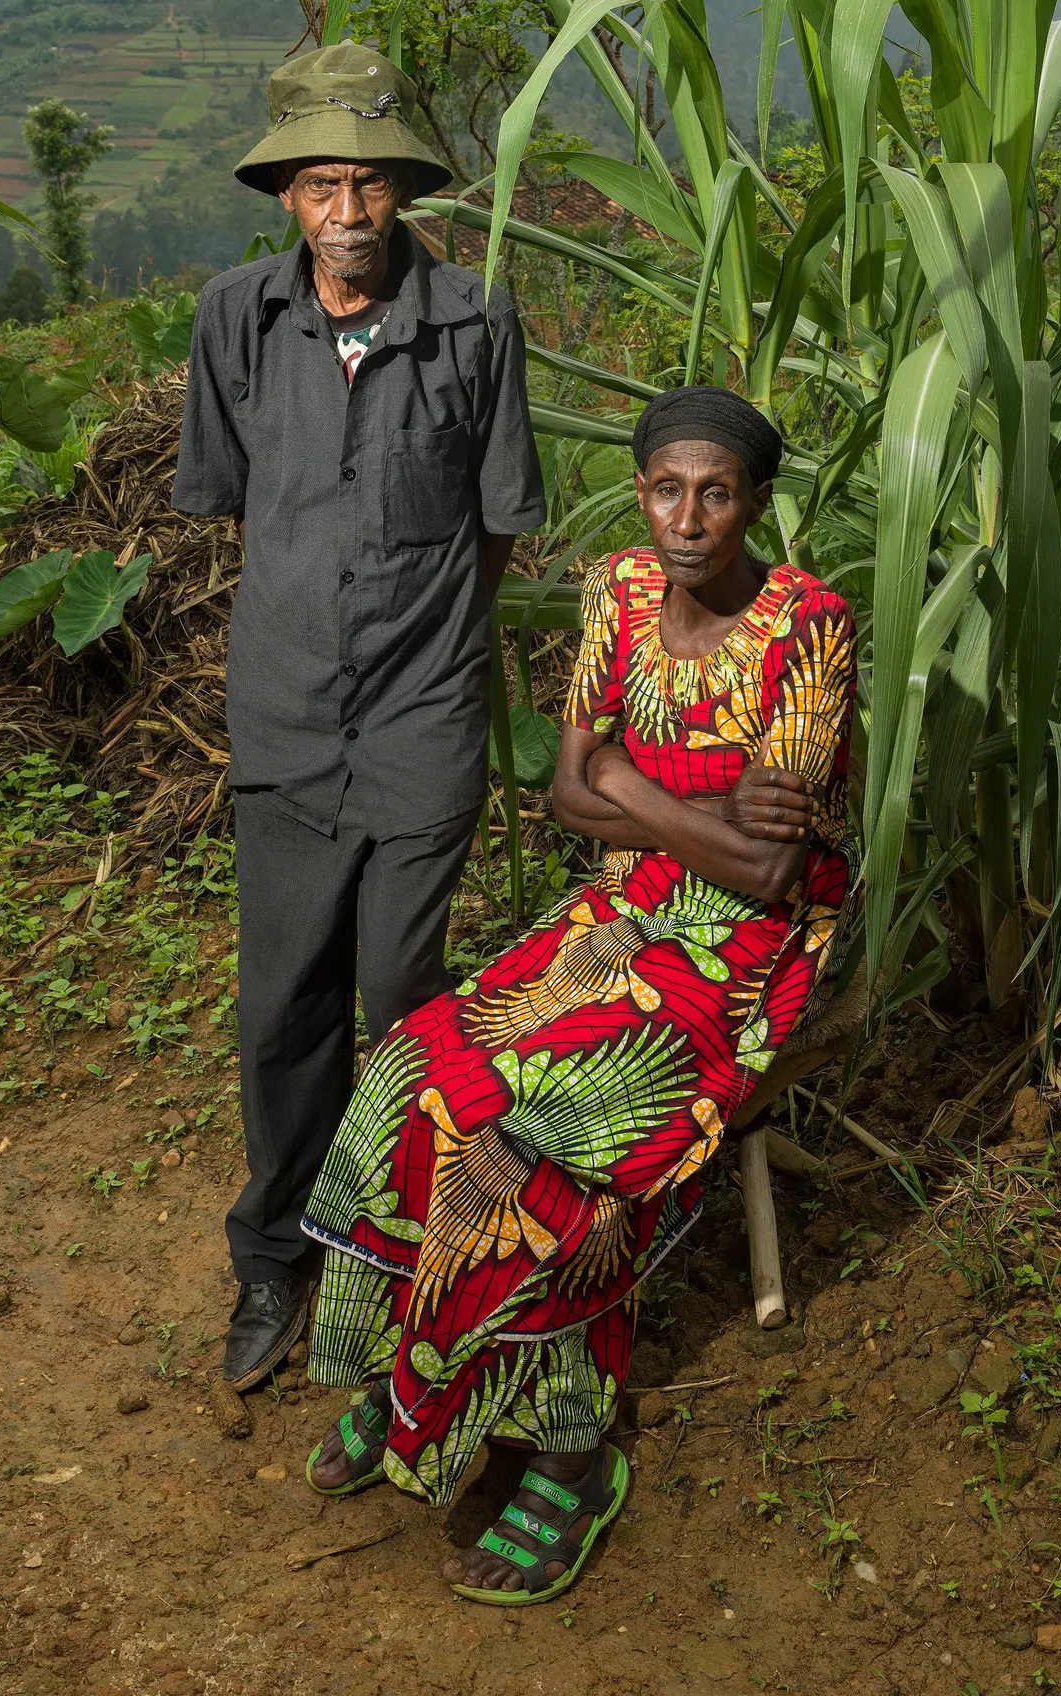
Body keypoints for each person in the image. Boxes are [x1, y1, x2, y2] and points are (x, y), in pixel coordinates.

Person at [299, 384, 856, 1607]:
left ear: (756, 502)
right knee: (412, 1067)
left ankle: (568, 1447)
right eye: (668, 488)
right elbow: (564, 796)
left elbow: (768, 868)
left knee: (550, 1136)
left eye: (718, 493)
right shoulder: (616, 591)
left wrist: (630, 783)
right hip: (620, 910)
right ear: (643, 491)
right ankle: (414, 1373)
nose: (689, 517)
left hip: (750, 945)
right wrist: (663, 803)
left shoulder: (806, 624)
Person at [172, 40, 546, 1391]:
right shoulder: (237, 319)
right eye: (321, 183)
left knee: (403, 996)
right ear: (286, 195)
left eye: (371, 184)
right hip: (282, 713)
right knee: (280, 1004)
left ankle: (399, 1250)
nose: (346, 212)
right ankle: (274, 1259)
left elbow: (498, 527)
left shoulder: (474, 322)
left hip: (424, 717)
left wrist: (424, 640)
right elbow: (234, 509)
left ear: (405, 194)